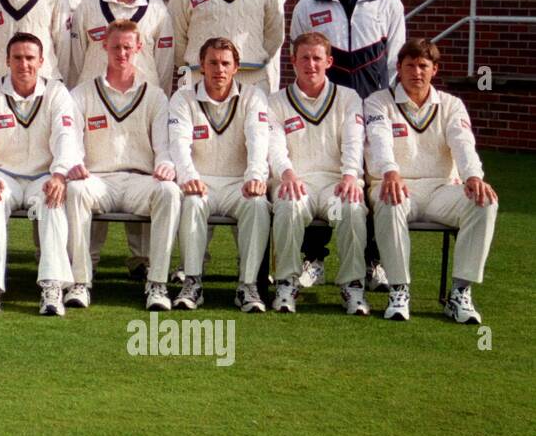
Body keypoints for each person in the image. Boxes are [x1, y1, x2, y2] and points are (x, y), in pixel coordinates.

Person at [290, 0, 406, 290]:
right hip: (325, 111)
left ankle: (374, 262)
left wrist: (384, 107)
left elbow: (394, 61)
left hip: (373, 108)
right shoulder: (308, 5)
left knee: (369, 183)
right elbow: (299, 56)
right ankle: (314, 259)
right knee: (318, 176)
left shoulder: (388, 4)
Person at [365, 39, 497, 324]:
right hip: (396, 185)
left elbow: (462, 142)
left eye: (423, 65)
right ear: (398, 68)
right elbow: (379, 139)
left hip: (441, 188)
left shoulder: (452, 105)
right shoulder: (378, 101)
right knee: (390, 199)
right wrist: (390, 171)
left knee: (484, 202)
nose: (417, 72)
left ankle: (460, 292)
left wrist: (474, 175)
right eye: (409, 65)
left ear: (434, 69)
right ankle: (399, 290)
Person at [65, 20, 180, 311]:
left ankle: (157, 283)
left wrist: (166, 164)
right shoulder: (82, 93)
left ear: (139, 47)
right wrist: (75, 164)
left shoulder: (154, 96)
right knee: (76, 190)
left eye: (128, 47)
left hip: (140, 180)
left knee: (169, 192)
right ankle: (80, 281)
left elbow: (164, 147)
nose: (122, 53)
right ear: (104, 46)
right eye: (115, 46)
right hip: (98, 178)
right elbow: (71, 142)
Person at [0, 33, 78, 315]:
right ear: (7, 60)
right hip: (2, 174)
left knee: (51, 201)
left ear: (41, 61)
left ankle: (51, 286)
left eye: (30, 58)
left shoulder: (56, 92)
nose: (24, 64)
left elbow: (65, 135)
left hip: (42, 176)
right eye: (17, 58)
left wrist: (59, 174)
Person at [166, 37, 271, 313]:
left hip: (239, 183)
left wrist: (255, 176)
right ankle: (192, 282)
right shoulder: (183, 98)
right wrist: (188, 175)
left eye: (226, 63)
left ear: (237, 67)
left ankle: (248, 286)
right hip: (202, 182)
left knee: (258, 204)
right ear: (201, 65)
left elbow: (257, 139)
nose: (219, 69)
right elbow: (178, 142)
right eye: (212, 62)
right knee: (191, 201)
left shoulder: (253, 96)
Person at [266, 33, 367, 314]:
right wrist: (286, 173)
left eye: (317, 58)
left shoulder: (348, 98)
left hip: (336, 184)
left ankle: (352, 285)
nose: (311, 64)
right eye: (305, 58)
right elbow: (274, 147)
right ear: (293, 61)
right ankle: (286, 282)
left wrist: (349, 175)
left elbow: (353, 140)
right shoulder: (276, 102)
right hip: (298, 183)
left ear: (329, 61)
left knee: (352, 208)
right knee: (287, 204)